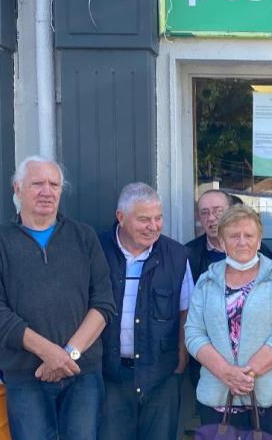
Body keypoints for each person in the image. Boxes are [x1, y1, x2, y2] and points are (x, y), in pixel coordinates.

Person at [0, 156, 115, 440]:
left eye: (54, 184)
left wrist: (67, 355)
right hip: (25, 377)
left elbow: (102, 304)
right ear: (17, 188)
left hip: (82, 373)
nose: (47, 191)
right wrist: (48, 353)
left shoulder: (83, 236)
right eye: (37, 184)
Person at [186, 205, 272, 440]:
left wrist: (247, 374)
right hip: (218, 395)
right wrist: (226, 372)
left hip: (270, 398)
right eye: (234, 236)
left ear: (259, 241)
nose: (242, 242)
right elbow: (193, 333)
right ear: (222, 241)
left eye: (249, 236)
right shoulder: (207, 280)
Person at [97, 182, 193, 440]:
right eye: (144, 220)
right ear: (121, 217)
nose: (153, 226)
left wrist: (181, 358)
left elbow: (186, 311)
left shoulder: (177, 255)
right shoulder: (97, 249)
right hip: (110, 373)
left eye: (158, 218)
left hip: (161, 374)